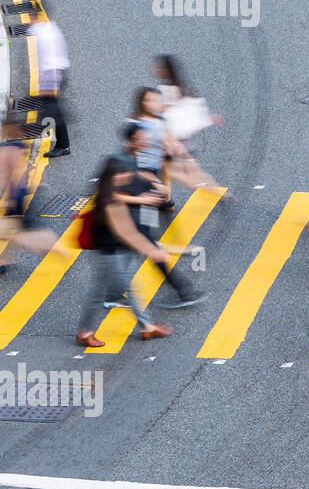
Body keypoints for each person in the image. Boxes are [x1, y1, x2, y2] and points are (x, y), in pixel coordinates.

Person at [74, 155, 172, 348]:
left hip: (112, 251)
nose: (128, 177)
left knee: (97, 293)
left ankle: (84, 332)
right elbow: (126, 231)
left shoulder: (110, 191)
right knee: (130, 288)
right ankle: (146, 326)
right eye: (124, 174)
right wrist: (151, 250)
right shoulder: (109, 199)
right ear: (114, 175)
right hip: (110, 253)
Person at [116, 122, 206, 310]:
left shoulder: (139, 158)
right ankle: (184, 291)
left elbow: (144, 175)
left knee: (133, 253)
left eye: (146, 138)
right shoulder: (119, 163)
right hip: (127, 218)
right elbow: (111, 194)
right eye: (141, 139)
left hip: (142, 215)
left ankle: (111, 293)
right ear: (129, 142)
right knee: (152, 254)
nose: (146, 142)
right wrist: (143, 198)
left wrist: (157, 185)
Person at [0, 113, 64, 271]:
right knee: (8, 230)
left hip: (15, 196)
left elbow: (4, 177)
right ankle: (4, 261)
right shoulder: (19, 146)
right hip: (19, 193)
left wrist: (10, 199)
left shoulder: (7, 150)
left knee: (18, 233)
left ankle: (53, 245)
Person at [151, 55, 223, 149]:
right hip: (183, 141)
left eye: (158, 67)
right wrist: (208, 115)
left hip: (174, 142)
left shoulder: (167, 88)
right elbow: (194, 102)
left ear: (165, 70)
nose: (154, 69)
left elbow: (167, 109)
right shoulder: (181, 85)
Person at [29, 14, 71, 159]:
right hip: (58, 71)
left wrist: (48, 84)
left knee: (52, 109)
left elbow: (47, 58)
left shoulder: (40, 31)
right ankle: (63, 144)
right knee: (52, 107)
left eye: (30, 17)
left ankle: (63, 145)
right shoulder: (51, 28)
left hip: (52, 74)